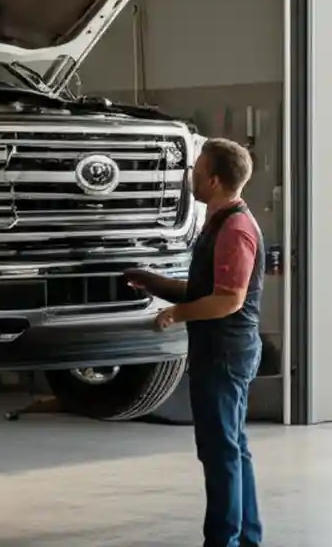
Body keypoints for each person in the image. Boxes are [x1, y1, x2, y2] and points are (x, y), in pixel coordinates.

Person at [125, 137, 265, 547]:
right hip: (222, 351)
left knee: (220, 454)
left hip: (224, 354)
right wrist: (156, 283)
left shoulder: (236, 229)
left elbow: (228, 299)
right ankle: (246, 538)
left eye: (198, 171)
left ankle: (223, 540)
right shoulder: (221, 221)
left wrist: (175, 314)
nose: (192, 177)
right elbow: (205, 288)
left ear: (216, 180)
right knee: (232, 449)